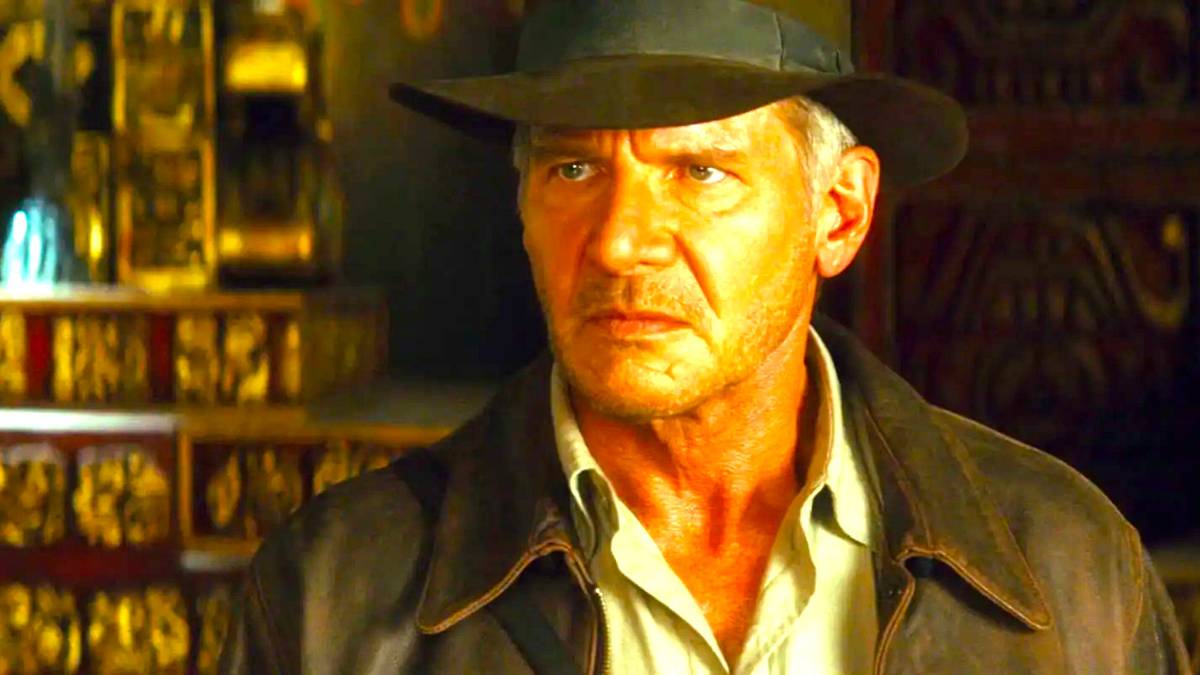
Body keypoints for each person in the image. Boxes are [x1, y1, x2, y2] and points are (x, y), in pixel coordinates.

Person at [219, 0, 1190, 673]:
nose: (619, 240)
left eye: (699, 172)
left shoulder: (1069, 570)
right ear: (521, 207)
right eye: (571, 170)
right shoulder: (333, 598)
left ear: (839, 214)